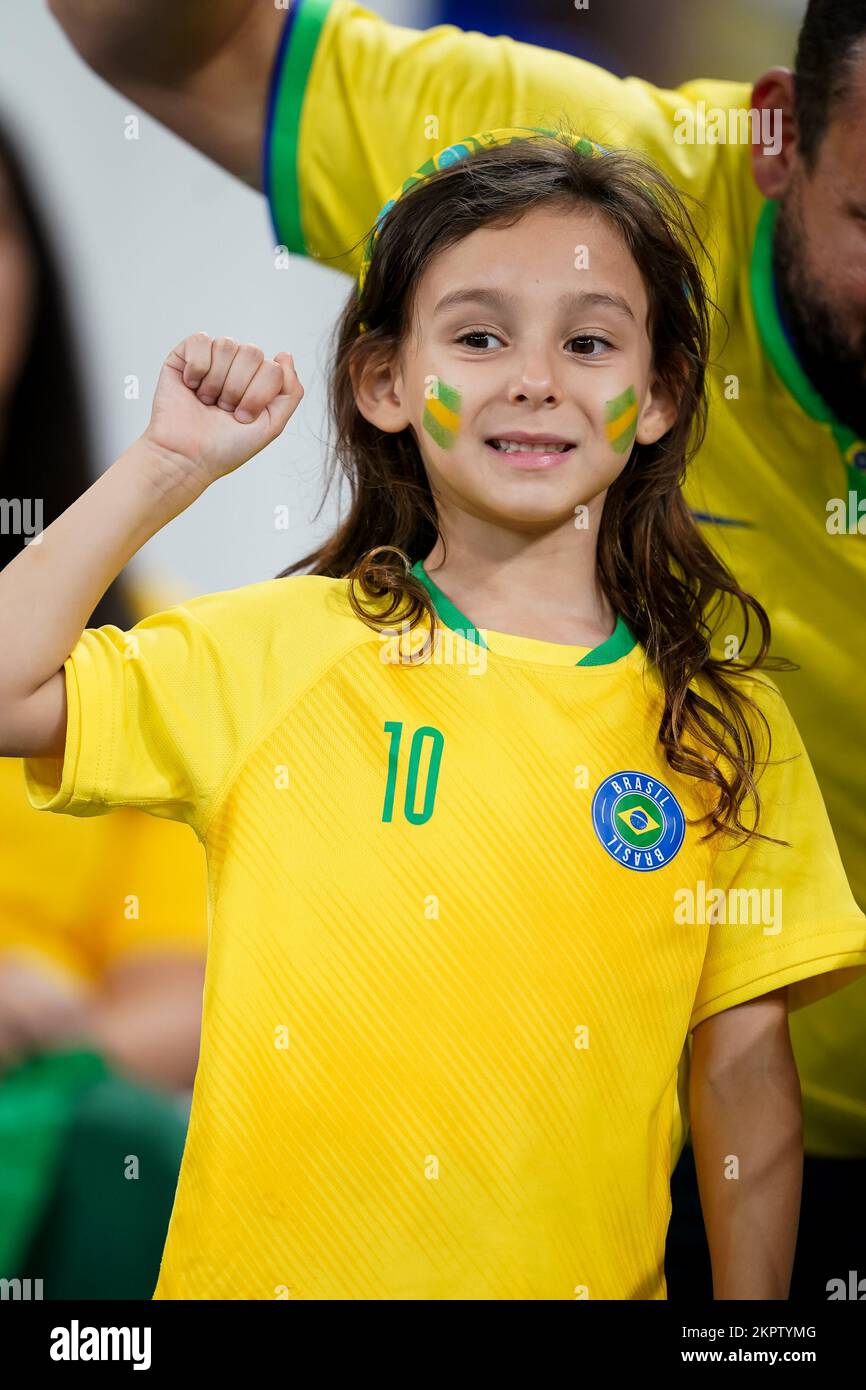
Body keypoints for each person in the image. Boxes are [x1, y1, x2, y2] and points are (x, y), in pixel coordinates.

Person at [46, 0, 866, 1296]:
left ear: (657, 396)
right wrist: (156, 471)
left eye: (587, 341)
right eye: (478, 336)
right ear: (379, 378)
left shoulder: (723, 724)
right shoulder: (273, 651)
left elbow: (740, 1074)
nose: (533, 378)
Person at [0, 112, 207, 1297]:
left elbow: (180, 1000)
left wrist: (43, 1025)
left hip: (62, 1137)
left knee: (140, 1151)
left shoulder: (144, 640)